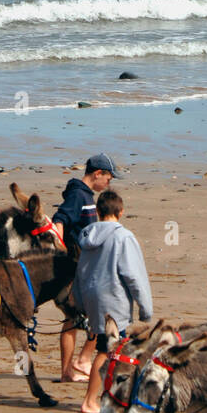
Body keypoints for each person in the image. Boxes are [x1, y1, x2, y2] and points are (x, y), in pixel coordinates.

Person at [73, 187, 153, 413]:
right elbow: (134, 275)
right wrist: (146, 310)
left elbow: (80, 273)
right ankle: (90, 401)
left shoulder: (87, 236)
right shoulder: (123, 237)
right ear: (121, 212)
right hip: (113, 299)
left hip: (91, 297)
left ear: (98, 211)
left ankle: (121, 396)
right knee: (108, 352)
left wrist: (80, 306)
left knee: (115, 349)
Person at [53, 153, 120, 382]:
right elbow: (60, 218)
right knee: (78, 317)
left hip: (85, 266)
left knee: (83, 317)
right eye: (109, 178)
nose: (109, 183)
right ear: (98, 173)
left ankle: (80, 361)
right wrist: (59, 245)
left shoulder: (87, 196)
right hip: (75, 267)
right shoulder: (78, 195)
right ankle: (71, 368)